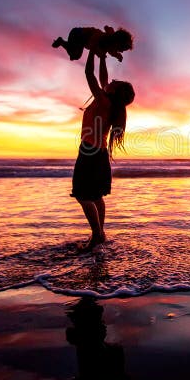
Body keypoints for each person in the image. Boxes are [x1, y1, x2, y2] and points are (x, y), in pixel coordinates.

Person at [71, 46, 135, 250]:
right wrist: (102, 55)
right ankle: (100, 234)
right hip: (99, 154)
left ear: (114, 90)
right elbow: (102, 78)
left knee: (82, 195)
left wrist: (92, 48)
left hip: (89, 153)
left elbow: (89, 73)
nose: (111, 81)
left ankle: (97, 235)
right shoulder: (110, 102)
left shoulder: (103, 100)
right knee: (96, 196)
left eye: (115, 83)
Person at [53, 25, 133, 62]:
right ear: (117, 41)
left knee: (75, 55)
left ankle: (62, 42)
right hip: (77, 34)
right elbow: (93, 42)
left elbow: (112, 52)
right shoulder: (102, 36)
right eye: (121, 49)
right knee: (74, 54)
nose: (121, 51)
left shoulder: (111, 46)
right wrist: (99, 53)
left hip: (82, 41)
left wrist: (118, 56)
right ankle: (62, 42)